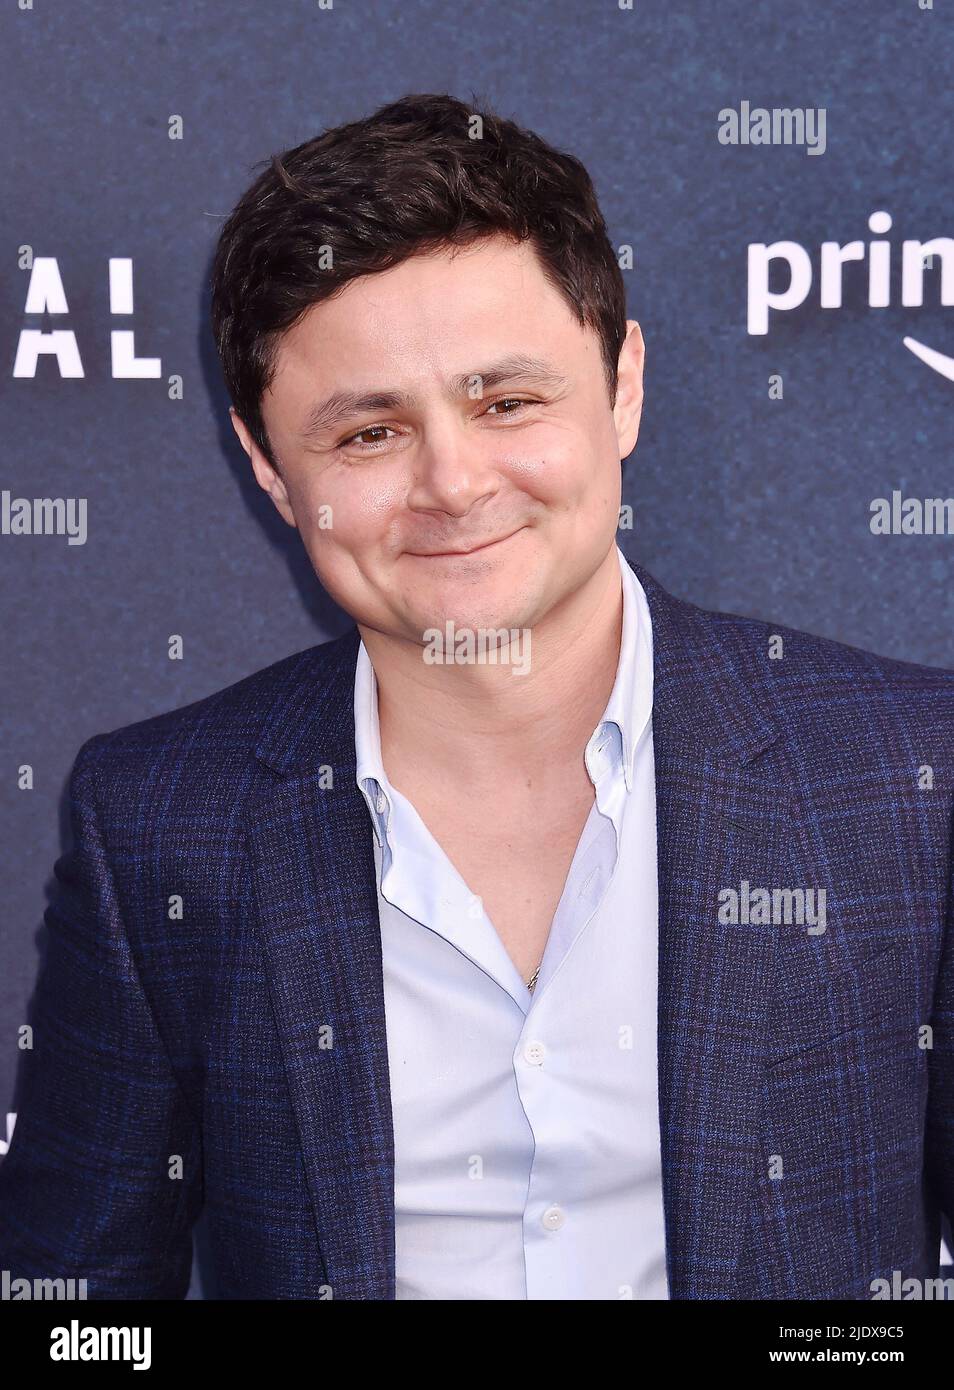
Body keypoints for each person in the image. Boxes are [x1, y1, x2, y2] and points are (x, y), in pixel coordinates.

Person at [1, 92, 951, 1301]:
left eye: (506, 402)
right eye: (367, 435)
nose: (452, 482)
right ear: (268, 470)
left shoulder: (908, 781)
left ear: (622, 388)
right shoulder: (157, 824)